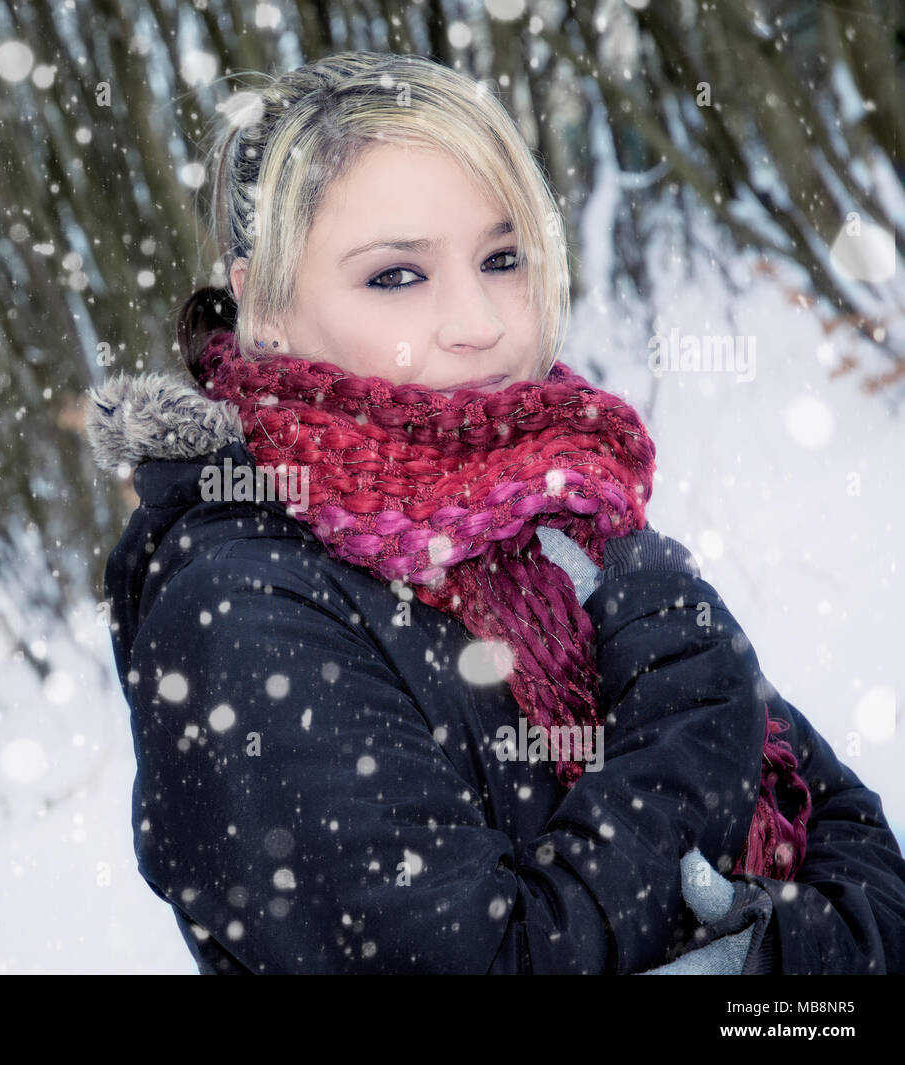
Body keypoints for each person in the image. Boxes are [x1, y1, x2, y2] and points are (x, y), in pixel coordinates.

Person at [84, 51, 905, 974]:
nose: (479, 319)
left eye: (501, 258)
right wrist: (689, 736)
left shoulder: (560, 505)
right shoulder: (237, 612)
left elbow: (866, 861)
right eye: (396, 275)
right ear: (263, 304)